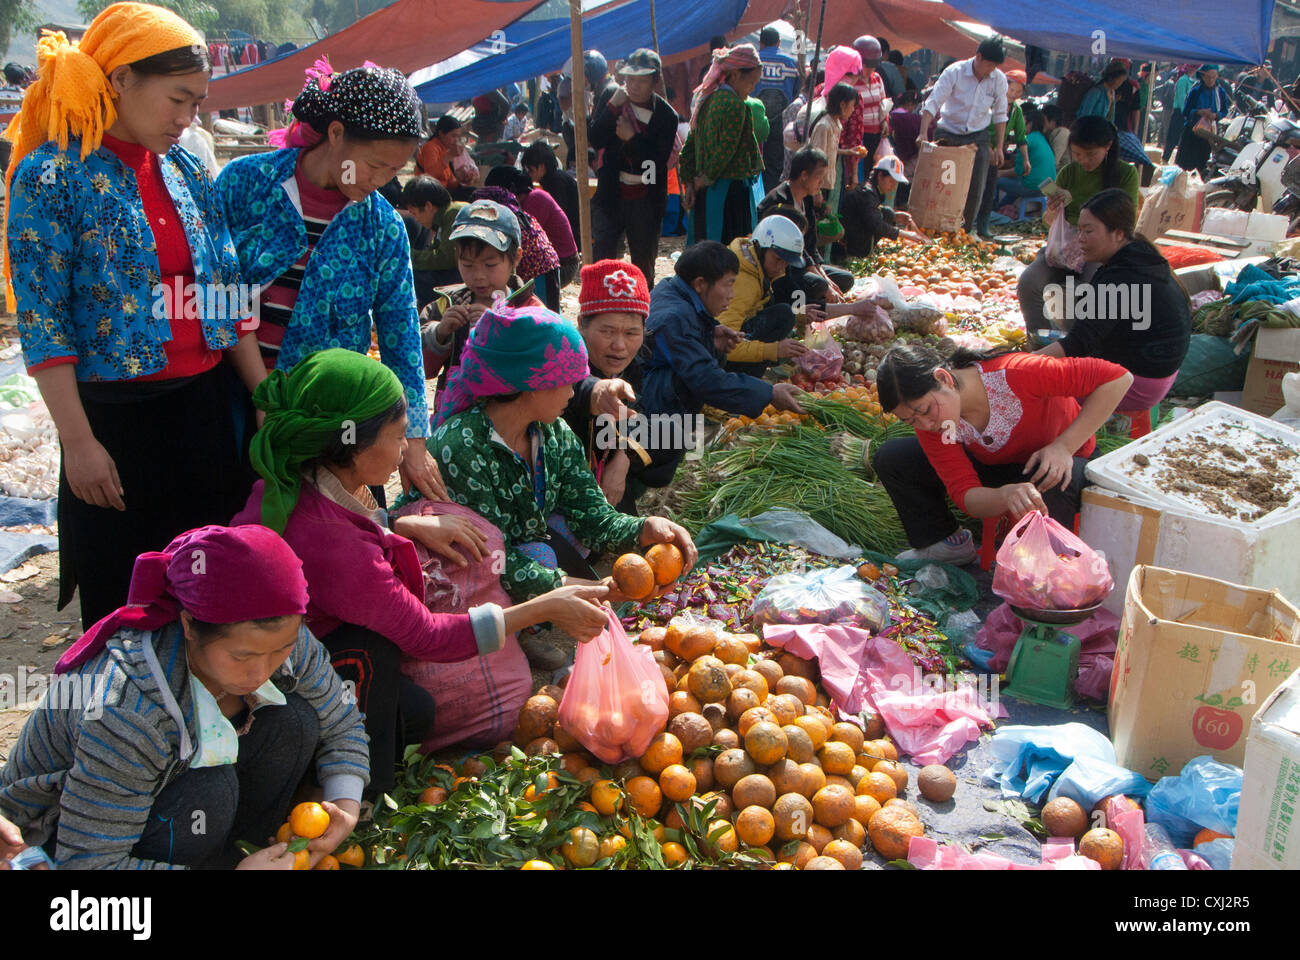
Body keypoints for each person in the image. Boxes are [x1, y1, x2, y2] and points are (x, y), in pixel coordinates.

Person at [232, 348, 611, 783]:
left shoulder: (295, 482)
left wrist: (401, 523)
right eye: (397, 437)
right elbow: (426, 637)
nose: (403, 453)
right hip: (281, 683)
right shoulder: (334, 543)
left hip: (305, 656)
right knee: (376, 658)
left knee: (414, 712)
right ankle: (356, 795)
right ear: (354, 443)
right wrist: (543, 607)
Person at [5, 3, 267, 630]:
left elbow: (226, 295)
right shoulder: (51, 177)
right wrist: (79, 444)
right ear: (120, 79)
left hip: (204, 410)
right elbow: (46, 322)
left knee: (210, 592)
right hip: (115, 426)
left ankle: (213, 723)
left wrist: (263, 398)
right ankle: (127, 724)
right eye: (178, 98)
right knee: (126, 600)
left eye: (197, 103)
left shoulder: (185, 170)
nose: (188, 118)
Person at [0, 524, 368, 869]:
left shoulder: (277, 635)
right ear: (189, 626)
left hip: (166, 796)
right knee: (209, 792)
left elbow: (341, 719)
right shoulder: (127, 710)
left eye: (281, 650)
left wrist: (344, 804)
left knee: (294, 721)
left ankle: (245, 850)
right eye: (242, 658)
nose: (261, 673)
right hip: (68, 834)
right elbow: (90, 863)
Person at [217, 63, 445, 506]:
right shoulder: (245, 185)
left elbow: (400, 336)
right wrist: (260, 397)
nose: (380, 181)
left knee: (328, 535)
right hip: (234, 400)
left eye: (393, 170)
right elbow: (214, 292)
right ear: (336, 132)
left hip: (331, 419)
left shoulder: (382, 226)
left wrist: (413, 442)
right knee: (241, 530)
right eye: (375, 164)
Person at [429, 303, 698, 667]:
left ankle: (532, 619)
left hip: (519, 542)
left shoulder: (552, 433)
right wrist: (582, 589)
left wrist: (644, 529)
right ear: (530, 386)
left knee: (565, 534)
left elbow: (594, 518)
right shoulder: (462, 446)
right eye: (567, 381)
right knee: (541, 556)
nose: (574, 393)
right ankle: (515, 630)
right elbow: (493, 558)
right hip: (466, 563)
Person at [871, 344, 1132, 564]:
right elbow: (966, 494)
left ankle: (1049, 563)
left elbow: (1118, 378)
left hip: (1063, 461)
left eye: (926, 410)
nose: (925, 425)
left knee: (1054, 476)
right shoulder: (935, 426)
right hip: (999, 465)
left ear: (944, 379)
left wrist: (1064, 446)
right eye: (910, 420)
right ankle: (947, 544)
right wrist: (1004, 496)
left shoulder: (1018, 372)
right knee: (893, 458)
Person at [639, 241, 806, 485]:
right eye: (728, 284)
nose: (732, 294)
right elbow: (707, 381)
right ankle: (647, 466)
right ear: (700, 284)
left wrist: (711, 336)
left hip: (649, 391)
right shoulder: (674, 319)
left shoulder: (672, 289)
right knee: (663, 459)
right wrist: (769, 393)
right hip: (644, 405)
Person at [1035, 188, 1191, 415]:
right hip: (1156, 373)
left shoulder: (1122, 276)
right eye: (1079, 231)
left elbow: (1078, 344)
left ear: (1118, 233)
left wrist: (1016, 365)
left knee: (1039, 387)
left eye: (1088, 231)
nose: (1080, 240)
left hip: (1138, 383)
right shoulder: (1139, 256)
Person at [1016, 116, 1139, 332]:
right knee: (1028, 283)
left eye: (1091, 154)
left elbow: (1127, 225)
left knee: (1087, 293)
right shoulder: (1069, 173)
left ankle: (1080, 351)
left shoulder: (1126, 174)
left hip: (1101, 252)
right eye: (1078, 154)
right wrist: (1052, 213)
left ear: (1108, 146)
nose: (1084, 160)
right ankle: (1040, 344)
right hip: (1063, 250)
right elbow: (1050, 224)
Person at [420, 199, 544, 391]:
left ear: (516, 258)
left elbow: (543, 364)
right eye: (468, 265)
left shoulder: (529, 308)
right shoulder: (447, 305)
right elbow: (421, 368)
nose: (478, 276)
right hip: (456, 413)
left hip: (511, 416)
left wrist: (501, 330)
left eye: (490, 265)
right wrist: (440, 333)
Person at [564, 260, 651, 512]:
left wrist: (622, 460)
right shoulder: (563, 360)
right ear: (582, 324)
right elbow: (580, 386)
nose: (620, 346)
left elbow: (641, 413)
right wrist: (596, 391)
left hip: (608, 455)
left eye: (631, 333)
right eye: (608, 331)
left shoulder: (638, 362)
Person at [589, 48, 679, 284]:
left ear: (655, 81)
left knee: (642, 265)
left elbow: (654, 164)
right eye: (630, 79)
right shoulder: (612, 98)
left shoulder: (666, 116)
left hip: (645, 199)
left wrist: (632, 138)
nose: (634, 86)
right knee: (603, 261)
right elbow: (595, 139)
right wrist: (611, 109)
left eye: (642, 80)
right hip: (611, 193)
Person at [918, 36, 1009, 234]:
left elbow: (1001, 114)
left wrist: (999, 146)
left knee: (978, 184)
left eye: (995, 66)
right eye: (990, 64)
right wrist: (923, 132)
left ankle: (965, 231)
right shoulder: (955, 72)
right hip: (949, 132)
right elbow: (934, 102)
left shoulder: (999, 79)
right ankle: (940, 227)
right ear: (978, 57)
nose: (991, 69)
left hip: (979, 135)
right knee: (946, 184)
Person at [679, 44, 765, 245]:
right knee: (729, 249)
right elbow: (726, 150)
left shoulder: (707, 100)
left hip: (705, 189)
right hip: (729, 192)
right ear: (735, 75)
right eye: (751, 83)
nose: (752, 89)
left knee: (704, 247)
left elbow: (690, 144)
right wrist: (706, 178)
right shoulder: (736, 106)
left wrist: (691, 181)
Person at [757, 147, 855, 298]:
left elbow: (810, 244)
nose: (821, 183)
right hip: (782, 267)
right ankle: (807, 307)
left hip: (802, 263)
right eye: (819, 177)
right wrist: (825, 283)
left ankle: (819, 297)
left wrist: (824, 276)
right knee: (819, 285)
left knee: (845, 279)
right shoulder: (778, 202)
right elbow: (791, 248)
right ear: (804, 175)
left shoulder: (807, 199)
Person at [473, 177, 563, 310]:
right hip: (547, 267)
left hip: (537, 271)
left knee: (540, 315)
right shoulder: (518, 214)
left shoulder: (505, 223)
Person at [485, 165, 579, 290]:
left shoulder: (534, 200)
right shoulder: (528, 201)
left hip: (564, 265)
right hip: (555, 264)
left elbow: (524, 242)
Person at [975, 67, 1029, 236]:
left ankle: (983, 225)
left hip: (995, 154)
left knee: (989, 188)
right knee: (975, 187)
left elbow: (1021, 137)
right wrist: (991, 148)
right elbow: (979, 126)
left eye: (1018, 92)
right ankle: (968, 222)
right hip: (978, 147)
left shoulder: (1016, 111)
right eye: (1011, 89)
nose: (1013, 94)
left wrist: (1026, 160)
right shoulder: (991, 102)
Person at [840, 155, 927, 259]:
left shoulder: (872, 190)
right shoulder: (867, 193)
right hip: (851, 239)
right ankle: (858, 253)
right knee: (886, 214)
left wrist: (895, 216)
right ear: (880, 175)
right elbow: (877, 225)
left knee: (888, 212)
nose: (893, 186)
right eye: (891, 182)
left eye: (895, 183)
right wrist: (906, 234)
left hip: (858, 228)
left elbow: (872, 213)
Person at [403, 176, 466, 303]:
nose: (415, 219)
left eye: (414, 213)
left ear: (428, 206)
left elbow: (446, 258)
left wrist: (409, 256)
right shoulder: (443, 218)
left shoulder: (453, 214)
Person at [756, 25, 800, 191]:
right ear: (779, 42)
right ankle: (771, 202)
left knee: (754, 165)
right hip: (781, 124)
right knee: (775, 166)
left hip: (754, 123)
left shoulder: (754, 61)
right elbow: (796, 94)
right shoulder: (792, 63)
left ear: (760, 43)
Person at [995, 104, 1057, 206]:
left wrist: (999, 173)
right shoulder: (1042, 138)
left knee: (994, 181)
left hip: (1035, 187)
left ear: (1030, 124)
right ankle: (1001, 207)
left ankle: (989, 210)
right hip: (1049, 186)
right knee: (1018, 182)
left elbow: (1018, 171)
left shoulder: (1026, 141)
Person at [1175, 65, 1231, 178]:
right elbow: (1186, 111)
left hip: (1208, 135)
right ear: (1203, 76)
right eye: (1208, 77)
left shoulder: (1220, 92)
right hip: (1193, 132)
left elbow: (1224, 110)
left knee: (1202, 165)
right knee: (1187, 165)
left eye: (1213, 77)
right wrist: (1200, 112)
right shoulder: (1196, 91)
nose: (1211, 80)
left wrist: (1215, 115)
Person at [847, 37, 889, 187]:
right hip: (858, 137)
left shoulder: (877, 78)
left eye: (873, 65)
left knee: (875, 177)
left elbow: (883, 103)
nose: (870, 69)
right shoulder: (851, 81)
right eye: (866, 65)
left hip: (876, 136)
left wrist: (885, 121)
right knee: (859, 176)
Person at [522, 140, 580, 242]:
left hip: (572, 236)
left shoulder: (556, 181)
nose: (529, 174)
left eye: (530, 170)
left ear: (541, 167)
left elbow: (559, 216)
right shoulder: (553, 178)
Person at [416, 114, 477, 199]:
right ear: (441, 134)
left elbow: (449, 183)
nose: (456, 140)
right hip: (430, 194)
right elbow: (429, 177)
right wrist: (448, 157)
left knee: (473, 192)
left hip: (443, 191)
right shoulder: (431, 147)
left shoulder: (445, 149)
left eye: (458, 137)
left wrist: (462, 178)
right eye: (453, 136)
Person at [1163, 65, 1196, 163]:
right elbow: (1182, 98)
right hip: (1180, 113)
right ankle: (1165, 159)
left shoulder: (1192, 81)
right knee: (1173, 137)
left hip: (1187, 114)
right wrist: (1186, 113)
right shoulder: (1183, 80)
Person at [1042, 103, 1070, 170]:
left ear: (1053, 121)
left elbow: (1053, 161)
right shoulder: (1049, 134)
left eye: (1043, 120)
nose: (1041, 123)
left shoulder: (1062, 133)